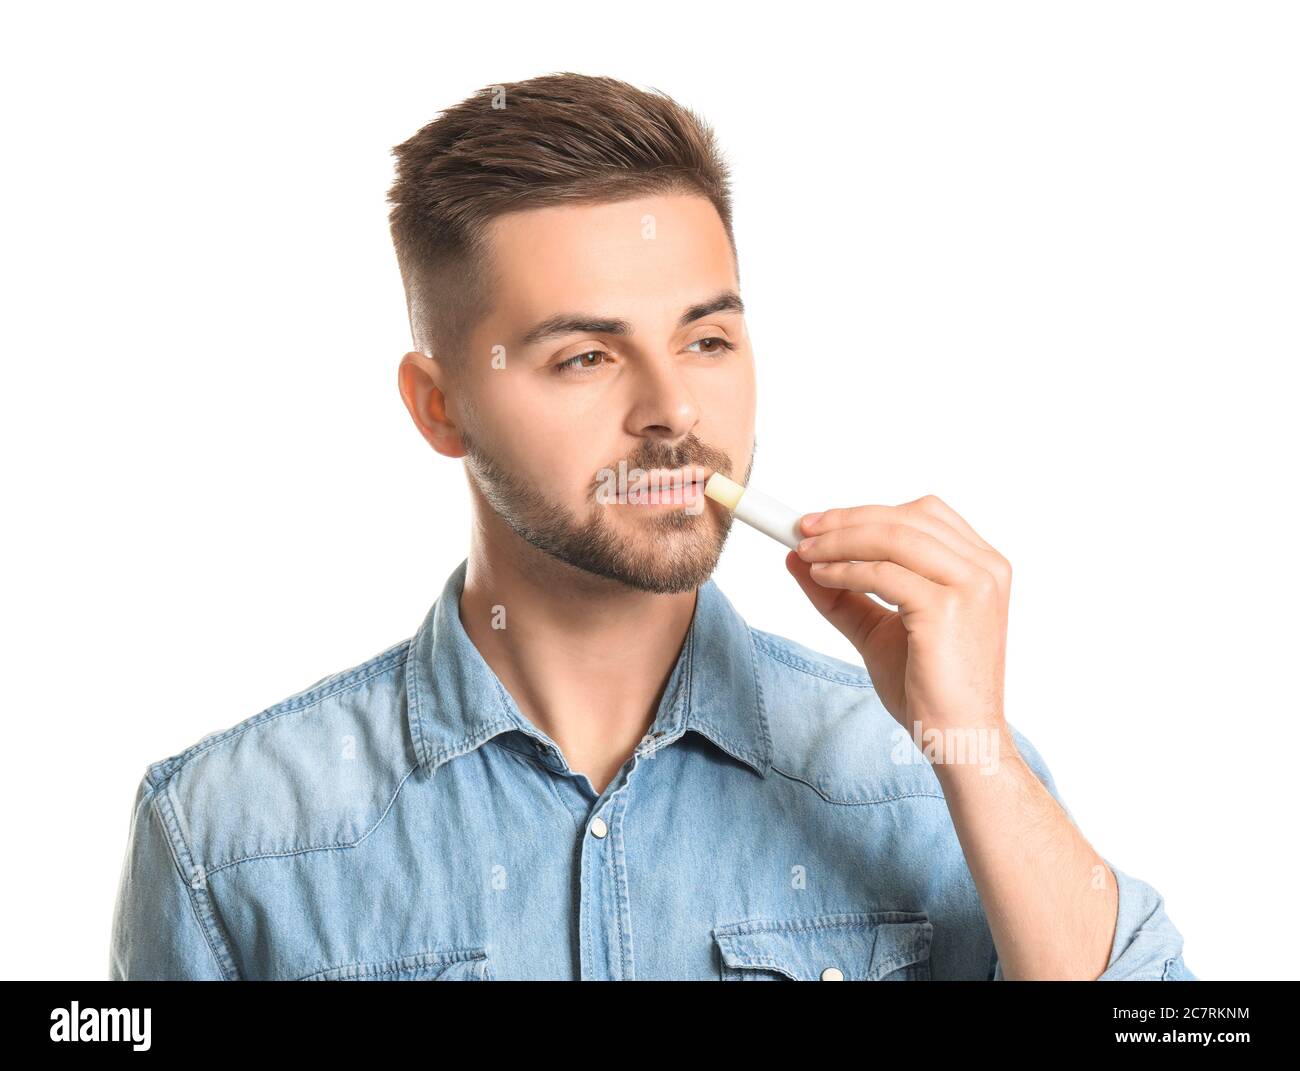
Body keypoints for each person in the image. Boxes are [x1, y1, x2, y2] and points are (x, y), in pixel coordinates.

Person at [109, 72, 1193, 981]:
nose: (672, 411)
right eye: (584, 356)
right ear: (440, 405)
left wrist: (976, 754)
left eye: (707, 340)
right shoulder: (228, 835)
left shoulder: (924, 773)